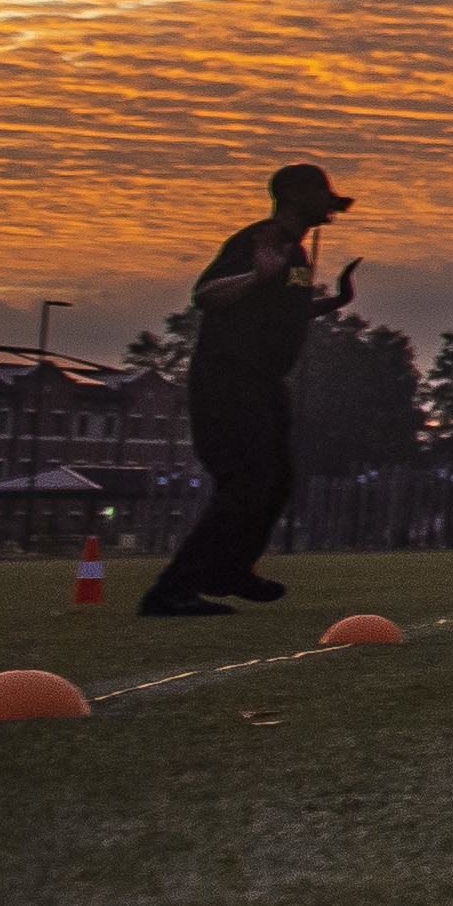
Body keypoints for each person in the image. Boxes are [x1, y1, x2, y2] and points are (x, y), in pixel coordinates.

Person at [142, 162, 354, 619]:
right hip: (229, 382)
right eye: (323, 190)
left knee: (276, 482)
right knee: (244, 483)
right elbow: (206, 294)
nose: (331, 199)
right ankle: (171, 591)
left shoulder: (296, 256)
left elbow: (292, 306)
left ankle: (230, 571)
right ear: (294, 195)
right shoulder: (256, 241)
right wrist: (256, 276)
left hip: (263, 384)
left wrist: (335, 302)